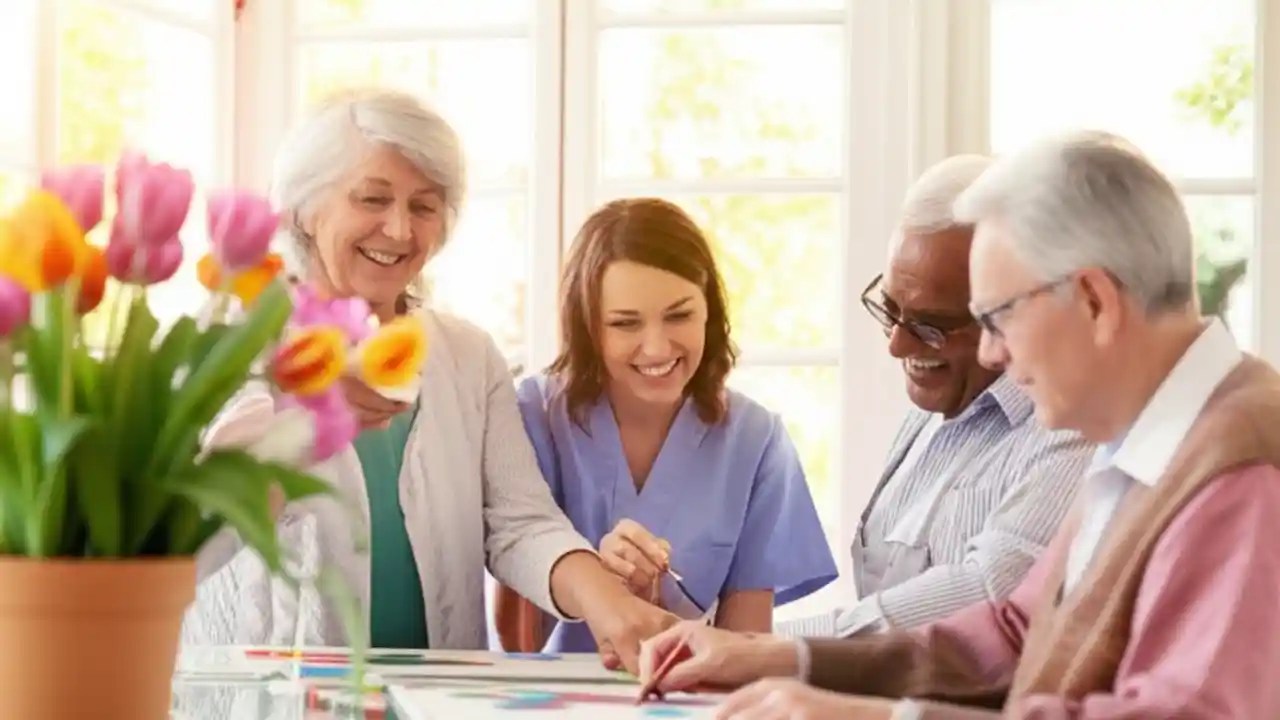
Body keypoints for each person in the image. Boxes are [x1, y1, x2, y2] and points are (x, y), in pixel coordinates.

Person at [637, 130, 1280, 718]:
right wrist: (782, 657)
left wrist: (881, 718)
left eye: (998, 317)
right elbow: (1014, 633)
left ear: (1092, 301)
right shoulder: (1148, 439)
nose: (993, 354)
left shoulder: (1240, 465)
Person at [182, 89, 676, 672]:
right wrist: (305, 417)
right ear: (303, 209)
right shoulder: (229, 346)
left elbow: (520, 523)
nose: (398, 230)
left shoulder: (466, 355)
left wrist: (609, 602)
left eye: (424, 206)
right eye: (373, 199)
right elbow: (190, 540)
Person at [493, 198, 838, 653]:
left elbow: (744, 648)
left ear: (709, 310)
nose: (656, 348)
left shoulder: (755, 442)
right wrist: (592, 582)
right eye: (624, 324)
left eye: (679, 316)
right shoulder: (535, 416)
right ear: (588, 328)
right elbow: (514, 632)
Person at [778, 155, 1091, 638]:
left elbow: (983, 603)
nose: (897, 345)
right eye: (889, 310)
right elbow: (886, 606)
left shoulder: (1073, 428)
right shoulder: (934, 409)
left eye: (932, 325)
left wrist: (767, 648)